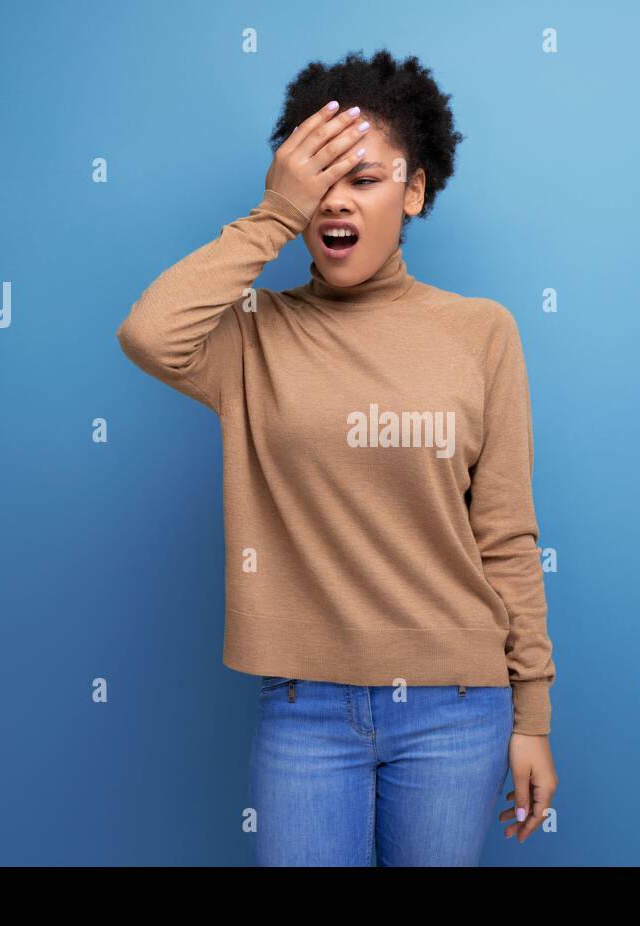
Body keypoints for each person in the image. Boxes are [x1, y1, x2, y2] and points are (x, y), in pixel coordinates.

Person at [115, 49, 558, 866]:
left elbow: (505, 534)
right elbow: (149, 332)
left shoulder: (482, 333)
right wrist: (269, 215)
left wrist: (532, 715)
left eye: (363, 178)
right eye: (316, 182)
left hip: (457, 708)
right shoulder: (253, 334)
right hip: (304, 707)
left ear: (415, 190)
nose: (335, 202)